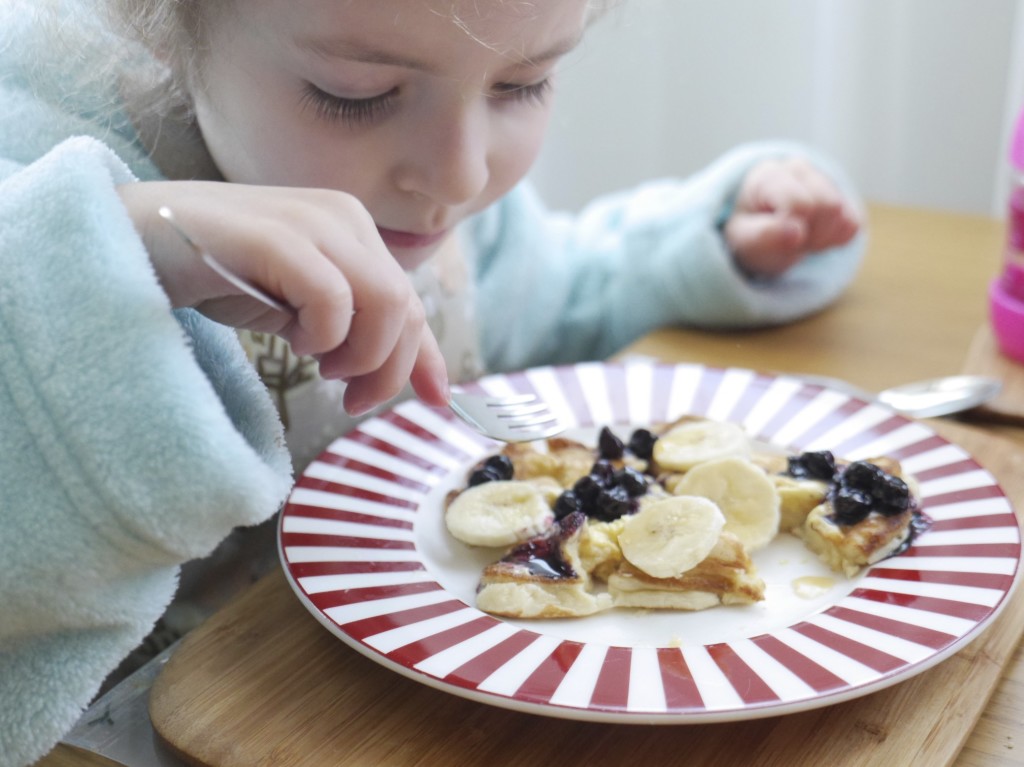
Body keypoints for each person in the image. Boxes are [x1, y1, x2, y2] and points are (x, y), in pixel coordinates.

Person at [0, 0, 863, 763]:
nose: (460, 174)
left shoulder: (452, 210)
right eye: (357, 93)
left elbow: (558, 298)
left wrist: (707, 244)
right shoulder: (41, 160)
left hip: (406, 712)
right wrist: (112, 250)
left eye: (523, 84)